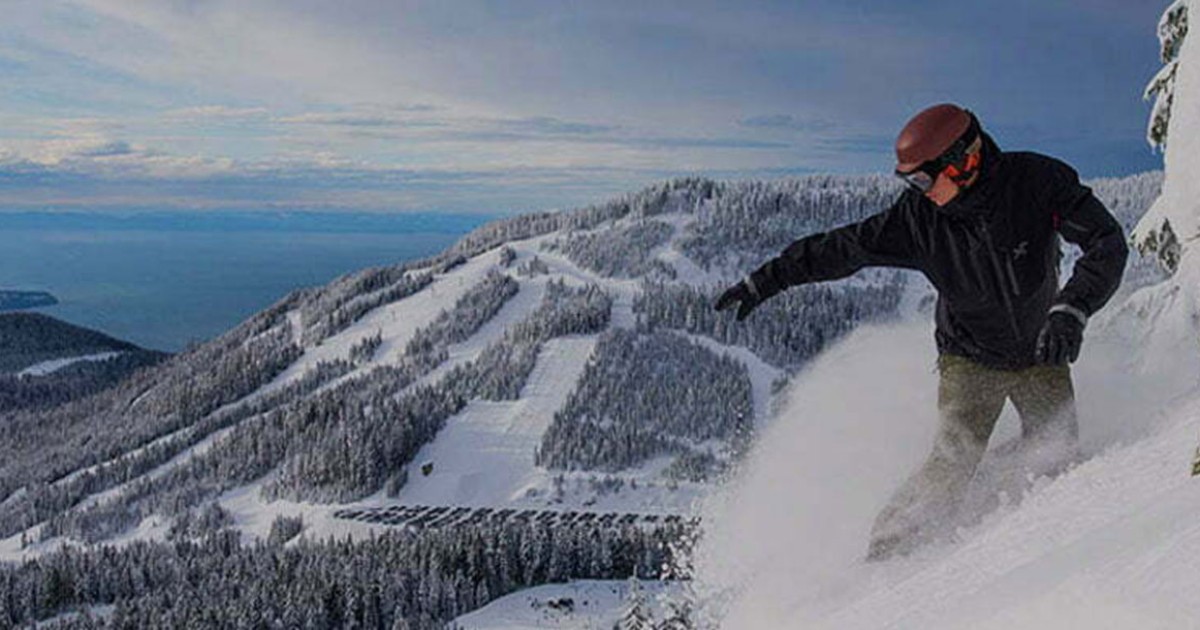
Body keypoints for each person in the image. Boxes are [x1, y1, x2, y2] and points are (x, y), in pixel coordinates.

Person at [714, 103, 1129, 560]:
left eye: (923, 179)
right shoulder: (917, 221)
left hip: (1041, 349)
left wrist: (1071, 309)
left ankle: (1021, 524)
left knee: (1057, 454)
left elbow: (1105, 241)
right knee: (952, 463)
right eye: (910, 182)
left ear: (963, 160)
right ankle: (884, 559)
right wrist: (768, 278)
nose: (919, 191)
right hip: (969, 358)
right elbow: (843, 248)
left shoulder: (1037, 183)